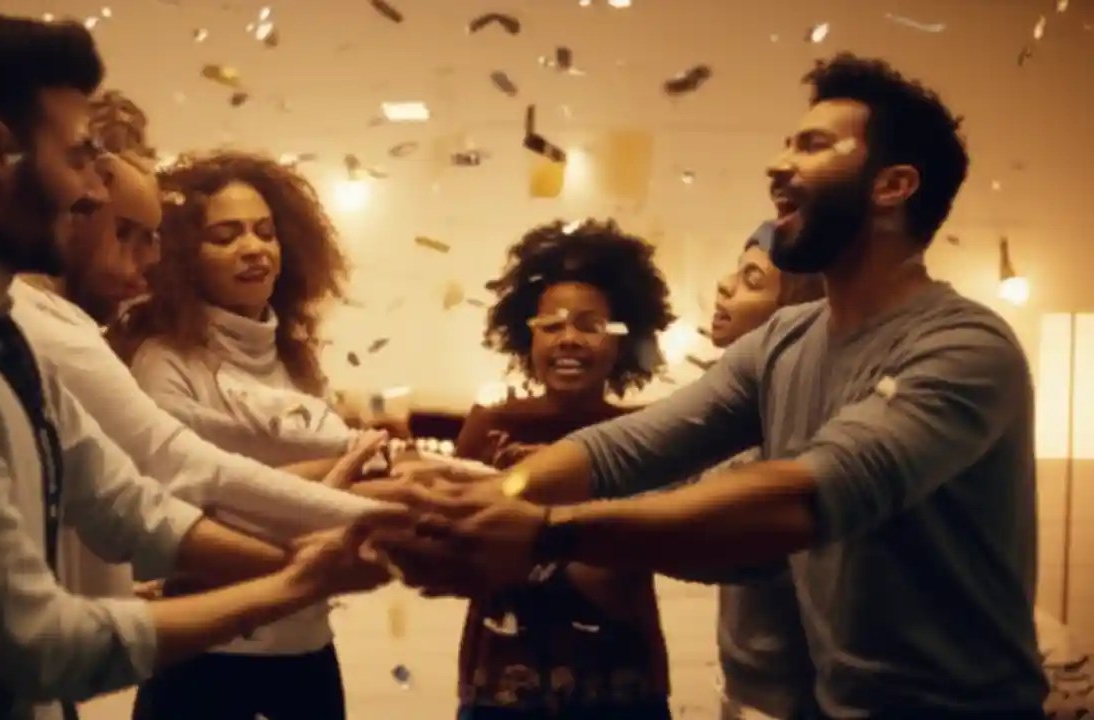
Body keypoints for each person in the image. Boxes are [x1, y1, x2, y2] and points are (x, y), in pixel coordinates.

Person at [372, 53, 1048, 719]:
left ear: (892, 187)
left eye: (812, 146)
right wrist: (496, 494)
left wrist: (546, 532)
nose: (778, 165)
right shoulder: (783, 344)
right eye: (786, 145)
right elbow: (629, 446)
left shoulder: (964, 347)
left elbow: (807, 497)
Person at [0, 16, 399, 720]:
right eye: (80, 157)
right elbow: (39, 642)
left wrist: (339, 547)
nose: (92, 192)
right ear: (0, 153)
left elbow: (136, 498)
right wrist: (293, 585)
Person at [10, 91, 389, 599]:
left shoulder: (57, 326)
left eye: (265, 232)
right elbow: (180, 474)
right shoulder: (73, 338)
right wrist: (374, 510)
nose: (147, 262)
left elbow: (125, 506)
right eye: (128, 234)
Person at [108, 151, 366, 720]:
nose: (254, 248)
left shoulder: (297, 362)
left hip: (307, 649)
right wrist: (347, 465)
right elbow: (185, 510)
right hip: (203, 654)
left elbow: (283, 502)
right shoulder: (164, 362)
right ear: (182, 258)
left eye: (265, 232)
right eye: (225, 236)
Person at [451, 219, 674, 720]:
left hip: (622, 685)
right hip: (503, 686)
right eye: (551, 326)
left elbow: (642, 560)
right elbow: (459, 556)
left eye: (589, 325)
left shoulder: (647, 433)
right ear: (525, 340)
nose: (568, 339)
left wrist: (539, 494)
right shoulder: (492, 425)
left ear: (620, 342)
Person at [710, 222, 823, 720]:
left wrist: (560, 529)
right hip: (749, 690)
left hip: (793, 702)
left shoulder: (799, 426)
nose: (724, 286)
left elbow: (718, 536)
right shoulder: (740, 410)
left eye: (753, 281)